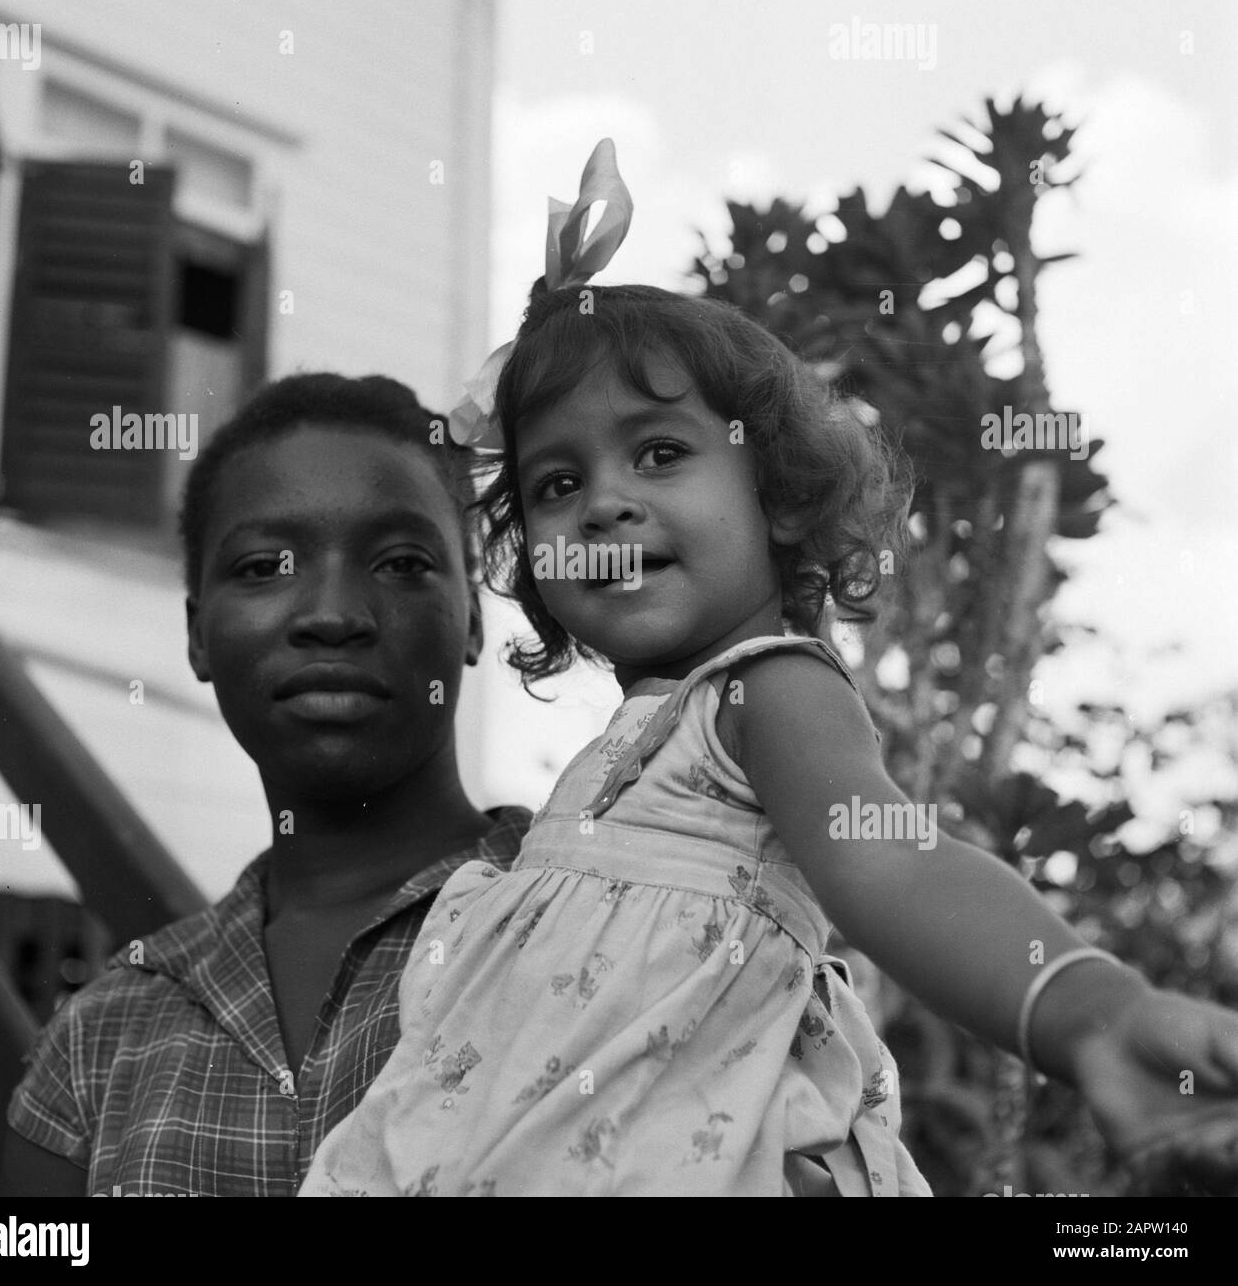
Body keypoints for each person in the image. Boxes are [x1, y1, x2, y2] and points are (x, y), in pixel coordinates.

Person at [301, 281, 1238, 1197]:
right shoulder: (628, 752)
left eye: (660, 452)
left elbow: (894, 864)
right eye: (557, 482)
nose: (603, 503)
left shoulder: (767, 691)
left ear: (780, 497)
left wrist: (1093, 1015)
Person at [1, 374, 529, 1196]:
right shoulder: (96, 1046)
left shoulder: (609, 921)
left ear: (471, 620)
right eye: (262, 566)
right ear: (197, 633)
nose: (331, 612)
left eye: (400, 561)